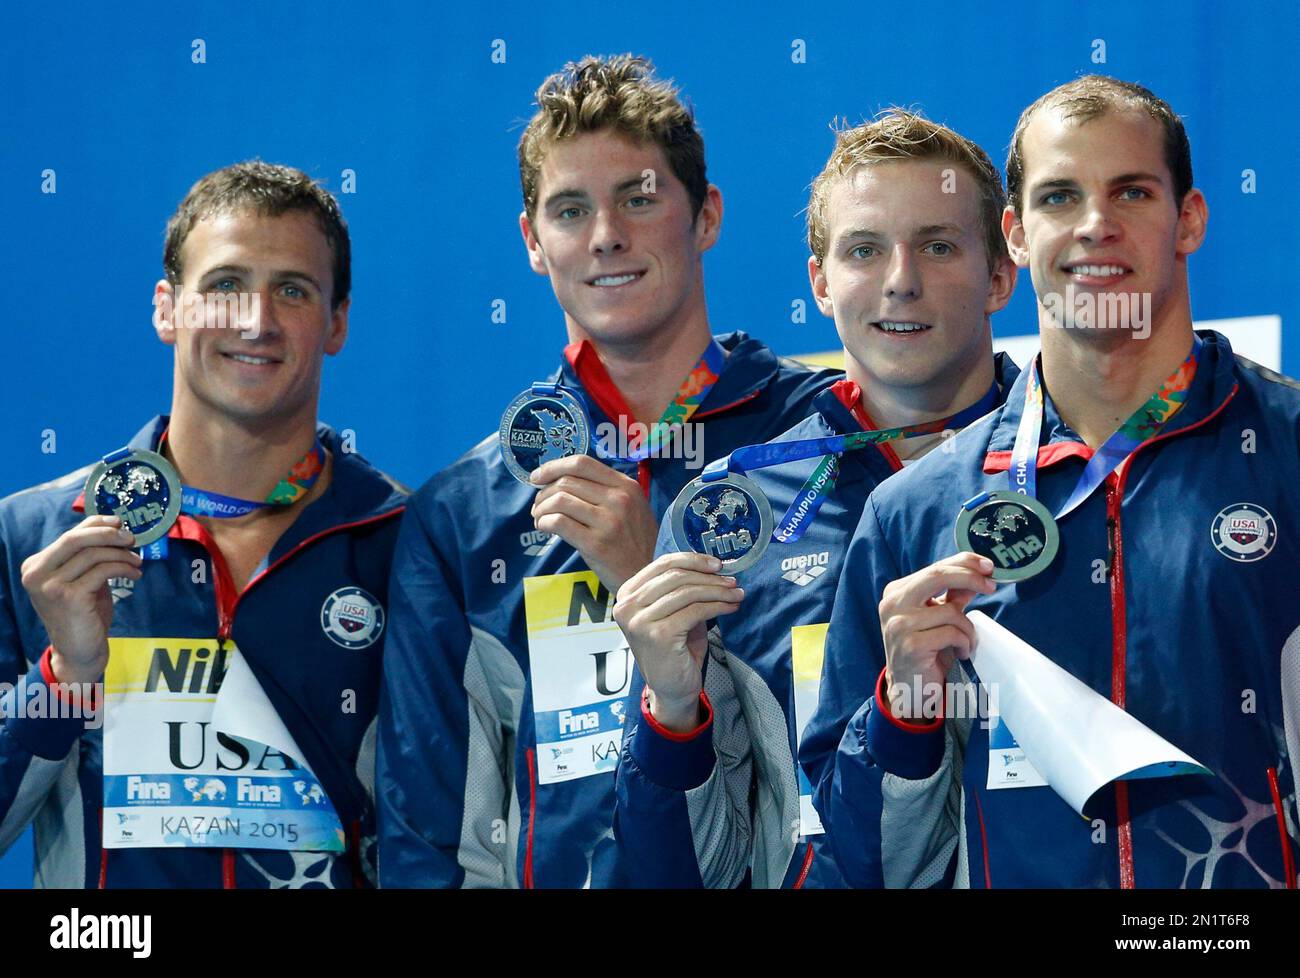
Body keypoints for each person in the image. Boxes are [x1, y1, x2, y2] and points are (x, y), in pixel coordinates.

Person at [800, 75, 1300, 888]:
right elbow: (861, 864)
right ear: (1017, 234)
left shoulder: (1285, 450)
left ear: (1190, 220)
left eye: (1131, 192)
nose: (1096, 225)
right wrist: (903, 717)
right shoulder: (912, 516)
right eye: (1061, 196)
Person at [376, 54, 838, 888]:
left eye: (639, 197)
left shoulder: (818, 443)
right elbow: (428, 841)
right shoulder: (464, 513)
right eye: (570, 209)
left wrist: (649, 568)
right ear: (532, 241)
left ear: (706, 216)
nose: (606, 236)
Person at [611, 111, 1019, 887]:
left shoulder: (1074, 481)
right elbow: (680, 875)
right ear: (820, 282)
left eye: (937, 244)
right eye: (865, 250)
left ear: (1001, 271)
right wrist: (670, 710)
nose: (901, 278)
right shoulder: (725, 515)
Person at [0, 161, 407, 888]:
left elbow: (443, 834)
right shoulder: (33, 540)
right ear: (167, 309)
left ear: (338, 322)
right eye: (225, 286)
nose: (255, 320)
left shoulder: (402, 538)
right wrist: (62, 680)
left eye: (292, 289)